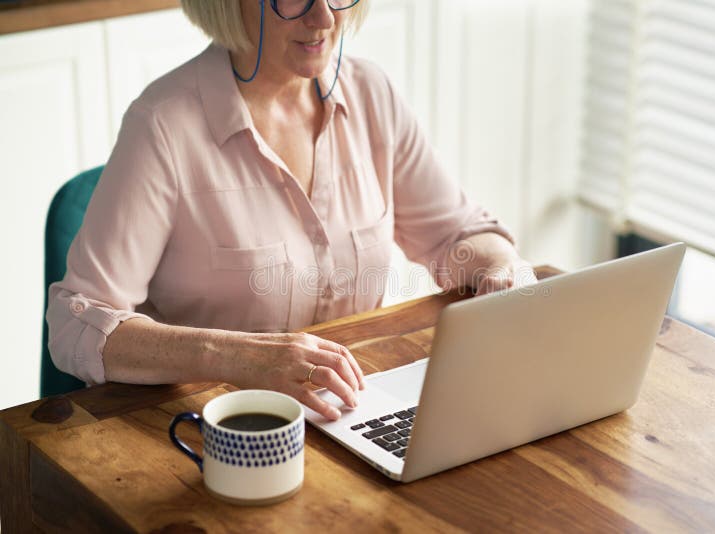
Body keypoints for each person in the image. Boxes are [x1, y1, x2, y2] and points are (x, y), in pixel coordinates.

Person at [46, 0, 536, 421]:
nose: (324, 17)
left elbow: (458, 234)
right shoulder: (162, 126)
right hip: (219, 431)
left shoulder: (372, 95)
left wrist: (499, 268)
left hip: (351, 410)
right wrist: (236, 357)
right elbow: (75, 323)